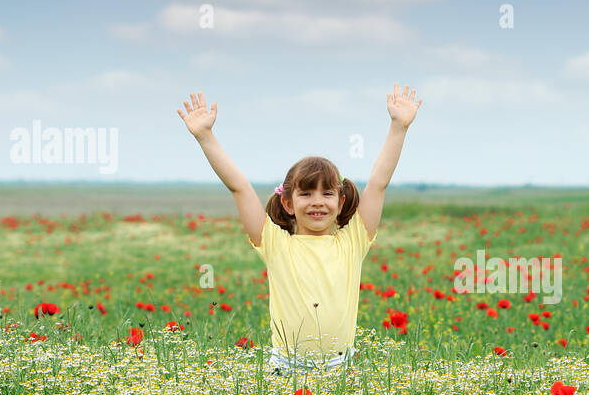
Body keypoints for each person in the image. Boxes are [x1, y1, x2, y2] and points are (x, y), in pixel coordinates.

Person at [177, 85, 422, 373]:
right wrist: (205, 136)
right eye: (306, 194)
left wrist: (398, 127)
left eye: (327, 194)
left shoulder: (353, 241)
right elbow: (239, 187)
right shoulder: (276, 244)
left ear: (341, 202)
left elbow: (378, 183)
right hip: (285, 369)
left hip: (340, 369)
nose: (317, 203)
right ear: (288, 203)